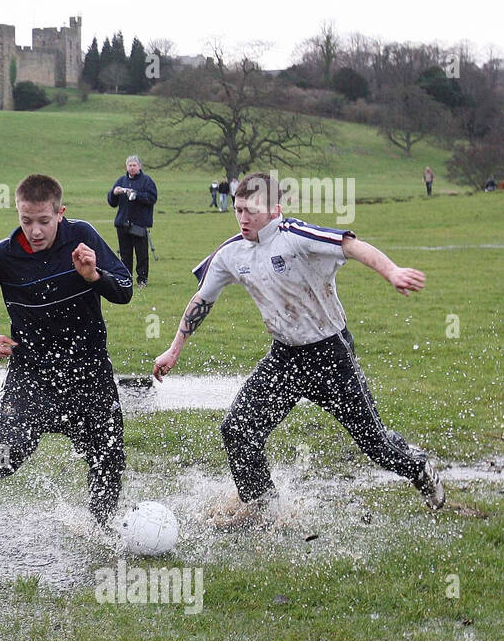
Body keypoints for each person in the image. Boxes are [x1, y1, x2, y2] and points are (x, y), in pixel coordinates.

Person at [151, 171, 445, 525]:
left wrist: (392, 271)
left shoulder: (296, 236)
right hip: (285, 358)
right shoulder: (231, 252)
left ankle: (419, 468)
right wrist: (173, 350)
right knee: (238, 429)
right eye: (238, 209)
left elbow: (351, 245)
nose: (243, 218)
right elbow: (203, 299)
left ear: (275, 209)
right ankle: (263, 509)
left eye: (252, 211)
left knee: (374, 443)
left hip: (330, 356)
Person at [0, 173, 134, 526]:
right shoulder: (3, 255)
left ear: (60, 213)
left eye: (44, 221)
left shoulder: (84, 237)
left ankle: (100, 527)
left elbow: (124, 288)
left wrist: (94, 277)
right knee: (12, 448)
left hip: (89, 370)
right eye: (26, 220)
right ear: (18, 213)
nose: (35, 231)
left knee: (108, 455)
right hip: (32, 372)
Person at [107, 155, 157, 287]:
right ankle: (126, 278)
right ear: (126, 167)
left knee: (142, 254)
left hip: (139, 224)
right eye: (129, 165)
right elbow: (112, 203)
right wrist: (114, 193)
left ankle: (142, 279)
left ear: (139, 167)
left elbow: (152, 198)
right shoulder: (121, 181)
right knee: (125, 254)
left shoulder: (147, 181)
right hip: (122, 224)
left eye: (134, 165)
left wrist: (135, 195)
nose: (132, 167)